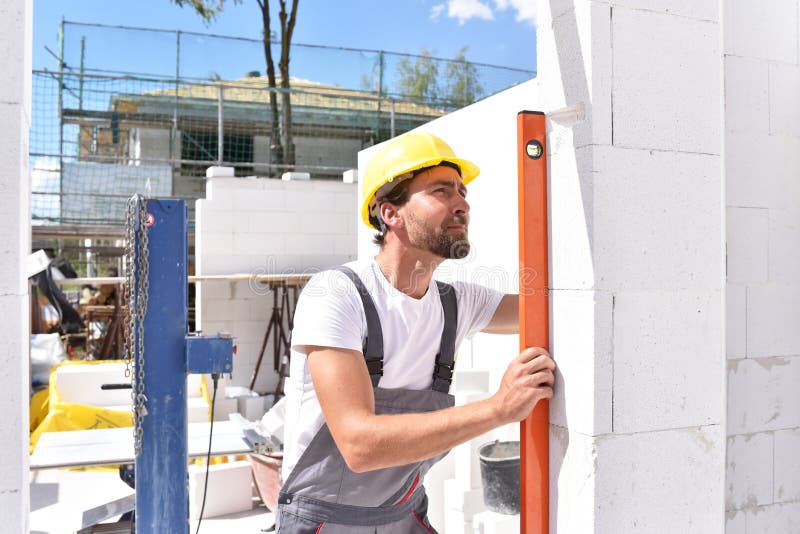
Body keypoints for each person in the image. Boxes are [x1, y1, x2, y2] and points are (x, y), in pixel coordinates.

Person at [277, 132, 555, 533]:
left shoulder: (457, 303)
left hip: (403, 514)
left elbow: (556, 305)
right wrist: (499, 408)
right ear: (391, 213)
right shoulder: (337, 294)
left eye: (461, 191)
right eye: (442, 191)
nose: (462, 203)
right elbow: (359, 445)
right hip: (324, 523)